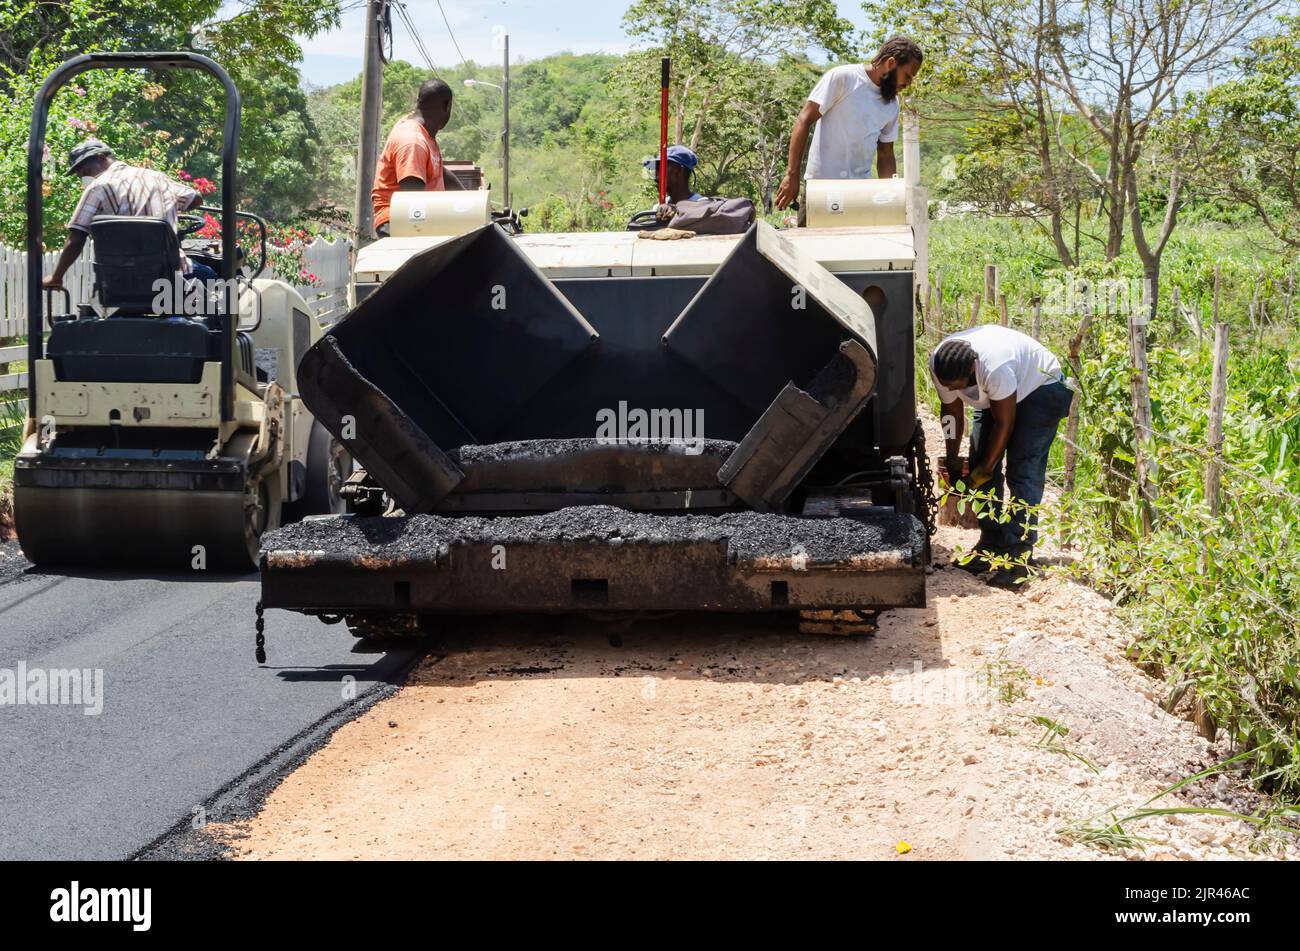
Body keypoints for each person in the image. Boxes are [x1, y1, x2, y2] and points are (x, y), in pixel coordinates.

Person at [930, 325, 1075, 587]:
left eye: (960, 387)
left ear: (972, 372)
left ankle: (1019, 556)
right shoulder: (941, 364)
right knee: (976, 460)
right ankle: (991, 543)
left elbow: (1003, 424)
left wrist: (986, 467)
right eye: (949, 386)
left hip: (1041, 387)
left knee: (1023, 471)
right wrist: (953, 457)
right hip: (997, 394)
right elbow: (951, 412)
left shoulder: (994, 368)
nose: (955, 390)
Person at [774, 36, 924, 222]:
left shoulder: (892, 105)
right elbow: (804, 121)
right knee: (811, 247)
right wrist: (792, 175)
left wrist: (892, 198)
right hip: (820, 191)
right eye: (907, 75)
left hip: (859, 196)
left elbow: (886, 154)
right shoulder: (843, 77)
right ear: (891, 63)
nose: (908, 83)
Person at [42, 138, 213, 290]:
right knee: (213, 276)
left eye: (84, 170)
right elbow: (195, 198)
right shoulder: (157, 178)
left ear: (101, 158)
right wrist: (173, 206)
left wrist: (56, 278)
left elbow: (77, 237)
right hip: (170, 275)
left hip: (119, 280)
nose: (82, 175)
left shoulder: (97, 187)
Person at [372, 79, 466, 238]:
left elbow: (439, 173)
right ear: (446, 106)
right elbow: (413, 199)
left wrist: (471, 201)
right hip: (398, 221)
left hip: (413, 218)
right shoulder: (413, 141)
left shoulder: (424, 133)